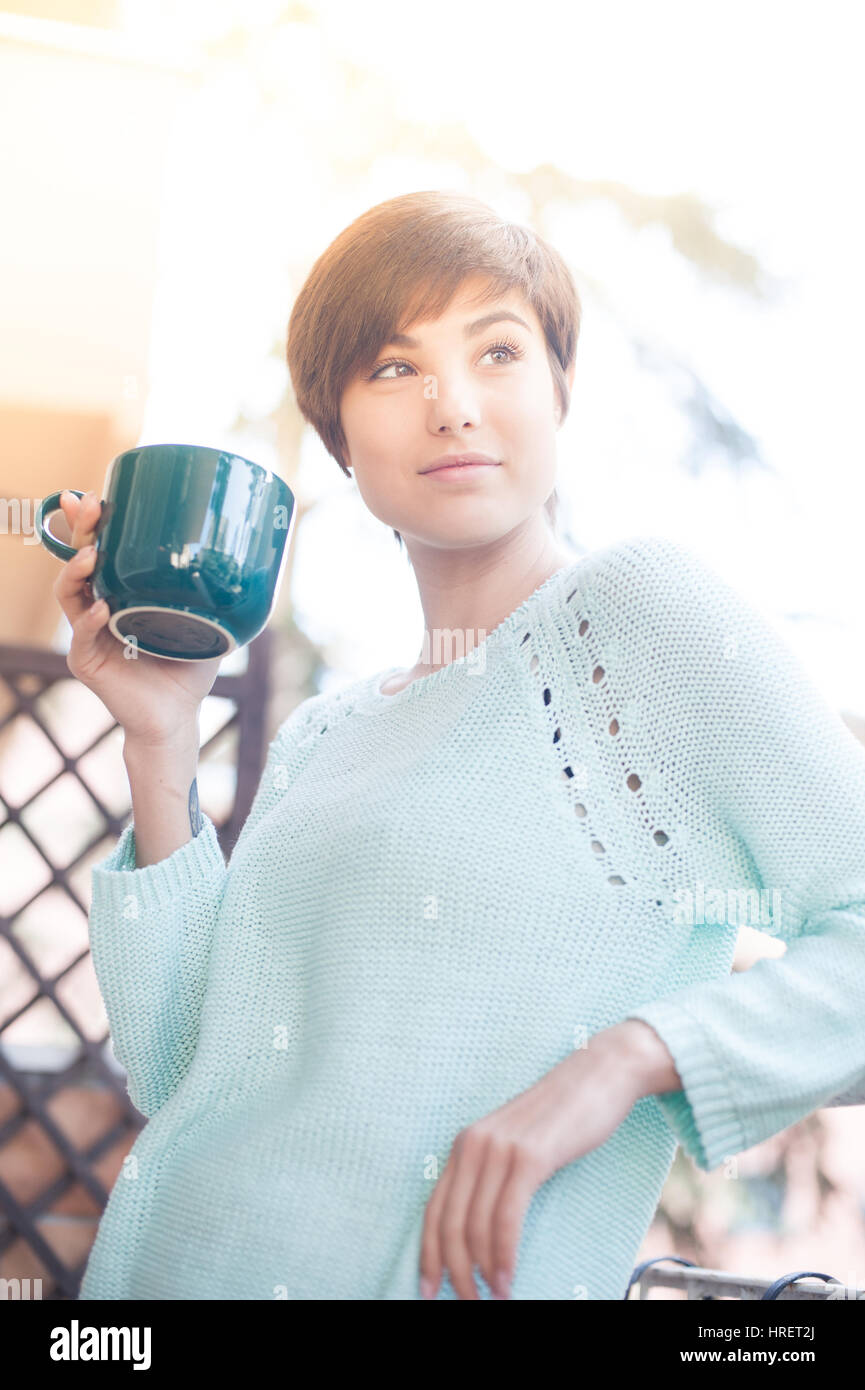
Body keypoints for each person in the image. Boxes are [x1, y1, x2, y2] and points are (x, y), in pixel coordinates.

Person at [56, 191, 865, 1301]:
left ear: (559, 392)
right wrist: (162, 737)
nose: (453, 407)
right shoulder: (323, 733)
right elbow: (180, 1068)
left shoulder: (642, 619)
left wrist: (626, 1058)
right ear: (338, 438)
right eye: (394, 368)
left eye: (497, 350)